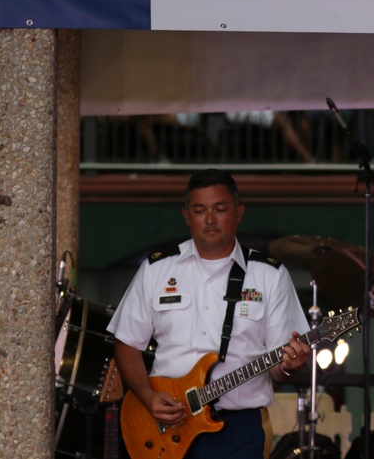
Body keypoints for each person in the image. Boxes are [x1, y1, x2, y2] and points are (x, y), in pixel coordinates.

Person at [108, 169, 312, 459]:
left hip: (239, 429)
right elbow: (127, 343)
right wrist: (147, 396)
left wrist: (292, 364)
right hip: (165, 424)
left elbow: (281, 368)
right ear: (186, 215)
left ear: (239, 213)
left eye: (220, 209)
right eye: (200, 210)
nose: (210, 219)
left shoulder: (269, 276)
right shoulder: (157, 270)